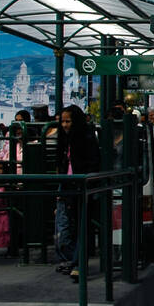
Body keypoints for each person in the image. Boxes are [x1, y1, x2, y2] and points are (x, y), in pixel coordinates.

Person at [54, 105, 100, 275]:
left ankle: (78, 263)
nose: (65, 125)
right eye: (63, 122)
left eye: (68, 121)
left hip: (82, 187)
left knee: (82, 226)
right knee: (70, 226)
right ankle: (73, 260)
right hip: (68, 187)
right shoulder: (64, 140)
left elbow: (93, 163)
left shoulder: (86, 138)